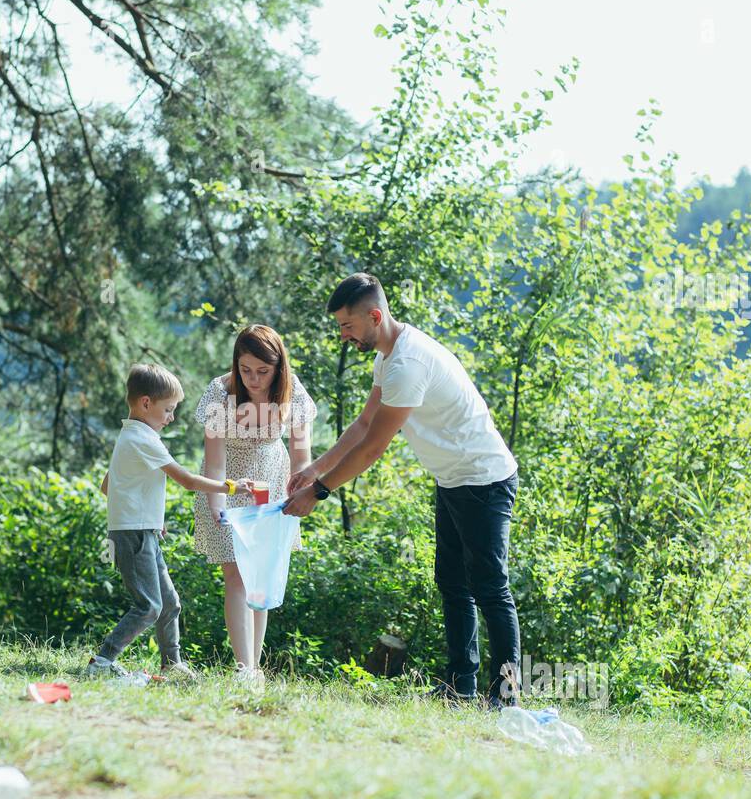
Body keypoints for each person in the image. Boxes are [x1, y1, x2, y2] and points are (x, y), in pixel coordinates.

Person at [285, 273, 522, 708]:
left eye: (347, 326)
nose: (343, 335)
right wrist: (315, 467)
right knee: (453, 584)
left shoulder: (408, 364)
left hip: (484, 480)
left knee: (490, 589)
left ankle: (505, 699)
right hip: (453, 480)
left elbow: (373, 447)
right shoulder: (388, 356)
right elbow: (363, 424)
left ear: (375, 316)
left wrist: (318, 491)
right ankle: (460, 687)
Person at [91, 363, 254, 680]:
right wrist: (230, 487)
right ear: (146, 403)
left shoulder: (130, 435)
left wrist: (150, 517)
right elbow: (188, 481)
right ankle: (102, 661)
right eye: (168, 410)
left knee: (169, 603)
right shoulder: (144, 439)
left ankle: (171, 663)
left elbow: (108, 485)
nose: (171, 417)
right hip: (134, 535)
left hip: (142, 530)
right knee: (149, 607)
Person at [192, 325, 317, 686]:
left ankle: (255, 667)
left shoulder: (292, 393)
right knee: (236, 573)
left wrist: (297, 495)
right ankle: (242, 667)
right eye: (245, 370)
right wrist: (217, 504)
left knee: (261, 573)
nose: (254, 379)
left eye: (263, 371)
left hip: (272, 481)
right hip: (228, 481)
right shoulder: (220, 392)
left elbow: (301, 456)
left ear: (279, 368)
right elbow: (214, 461)